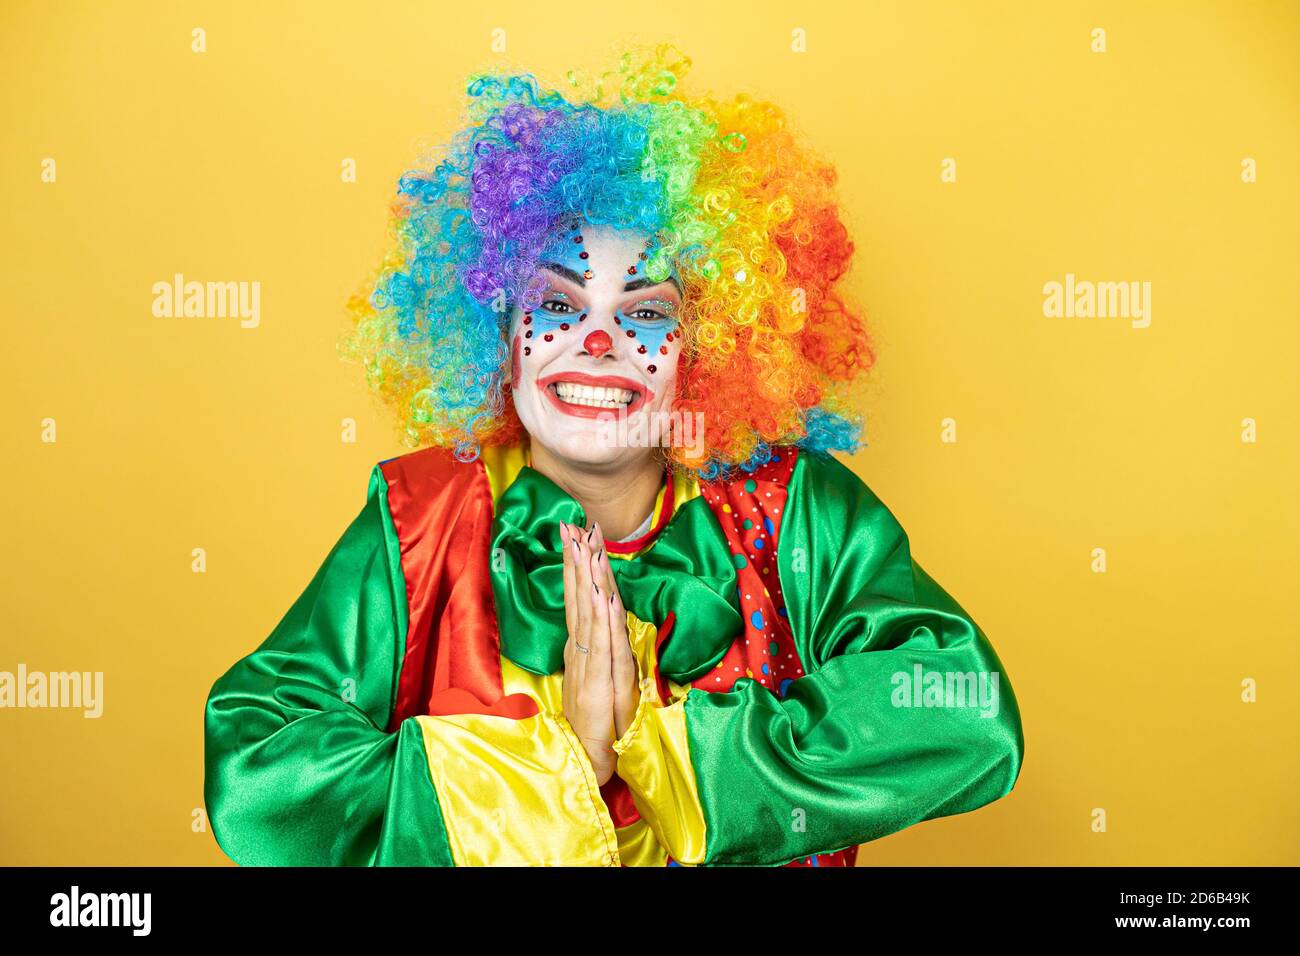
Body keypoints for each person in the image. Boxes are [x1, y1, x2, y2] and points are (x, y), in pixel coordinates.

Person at [203, 46, 1024, 867]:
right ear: (500, 336)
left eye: (646, 312)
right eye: (558, 303)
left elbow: (965, 708)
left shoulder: (797, 511)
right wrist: (560, 769)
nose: (597, 341)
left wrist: (667, 755)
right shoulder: (420, 519)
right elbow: (256, 773)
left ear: (705, 349)